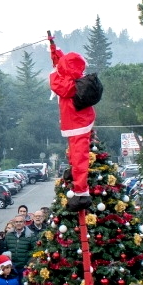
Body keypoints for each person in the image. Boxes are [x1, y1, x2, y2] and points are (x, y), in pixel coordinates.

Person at [48, 37, 96, 212]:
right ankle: (74, 173)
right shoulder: (74, 76)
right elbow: (61, 62)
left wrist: (56, 66)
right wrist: (53, 48)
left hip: (77, 125)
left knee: (79, 157)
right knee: (75, 153)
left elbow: (55, 80)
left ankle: (81, 192)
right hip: (78, 122)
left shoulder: (67, 84)